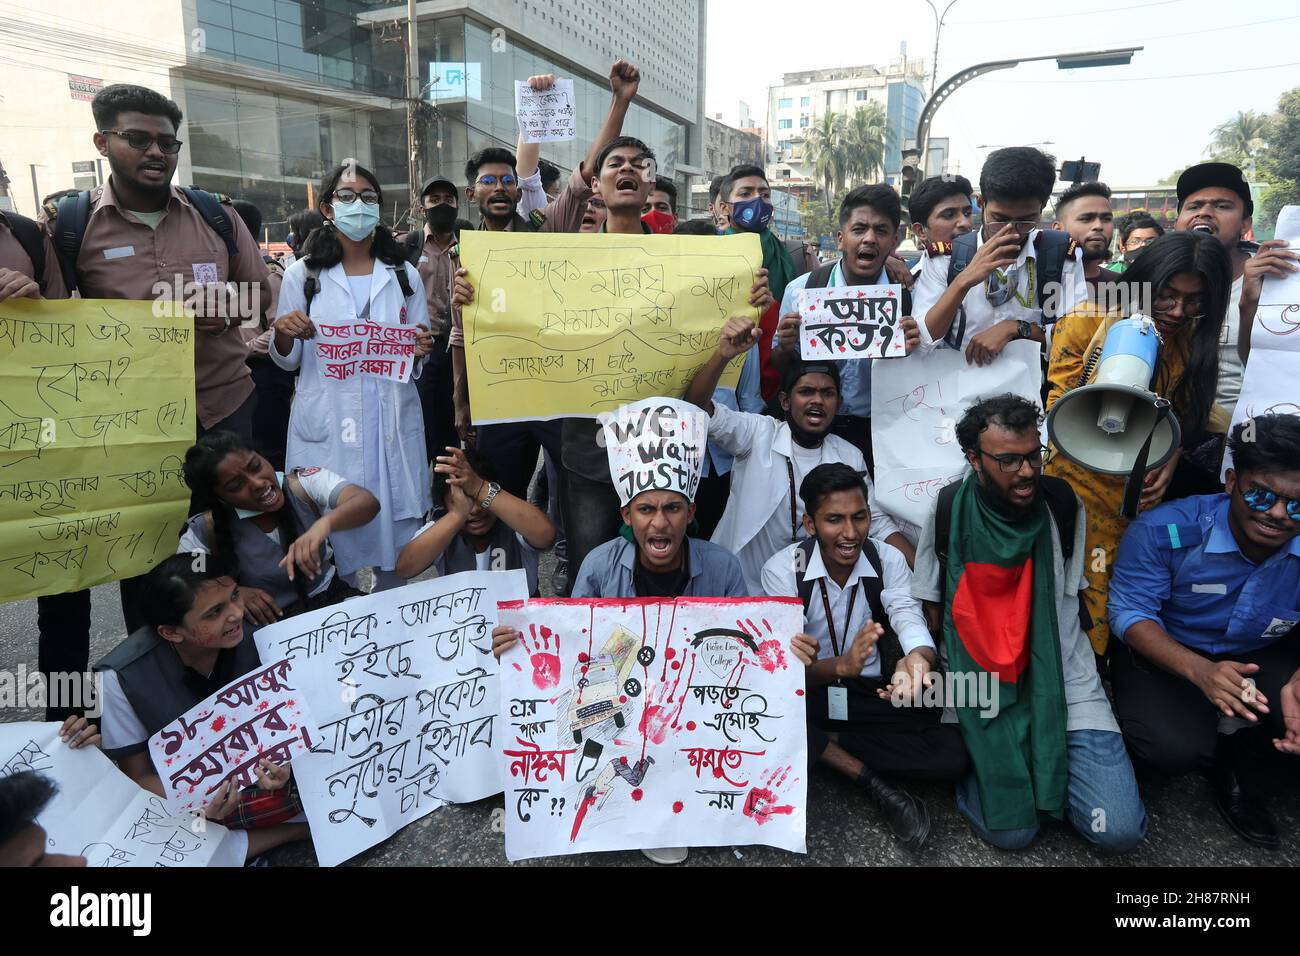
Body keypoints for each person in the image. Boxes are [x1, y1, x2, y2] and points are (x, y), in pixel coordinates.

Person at [449, 137, 773, 589]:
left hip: (663, 452)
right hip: (589, 455)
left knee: (668, 570)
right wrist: (475, 299)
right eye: (615, 163)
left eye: (639, 165)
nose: (628, 170)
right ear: (596, 185)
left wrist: (745, 307)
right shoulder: (558, 259)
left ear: (650, 182)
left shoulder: (690, 263)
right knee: (591, 572)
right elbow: (512, 320)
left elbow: (696, 398)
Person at [39, 82, 275, 666]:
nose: (155, 153)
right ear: (102, 141)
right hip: (130, 428)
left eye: (167, 143)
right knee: (148, 564)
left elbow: (264, 298)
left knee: (233, 550)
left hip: (222, 411)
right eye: (137, 139)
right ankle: (159, 680)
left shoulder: (214, 215)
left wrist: (229, 304)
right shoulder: (72, 227)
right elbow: (50, 327)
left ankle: (242, 675)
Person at [492, 396, 752, 865]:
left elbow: (743, 661)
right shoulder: (597, 565)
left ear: (691, 515)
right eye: (646, 509)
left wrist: (781, 649)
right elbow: (575, 644)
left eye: (673, 508)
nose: (660, 522)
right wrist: (522, 643)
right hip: (619, 697)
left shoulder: (723, 568)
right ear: (627, 517)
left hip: (688, 703)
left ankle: (673, 801)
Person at [912, 395, 1146, 852]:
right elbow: (932, 612)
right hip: (978, 685)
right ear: (973, 460)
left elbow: (1070, 594)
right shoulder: (945, 509)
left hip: (1064, 678)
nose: (1026, 472)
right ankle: (994, 772)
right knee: (1013, 833)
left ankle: (1033, 770)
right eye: (1008, 460)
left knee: (1115, 831)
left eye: (1033, 455)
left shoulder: (1061, 503)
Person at [1108, 415, 1300, 848]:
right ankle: (1211, 735)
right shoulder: (1164, 530)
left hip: (1262, 653)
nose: (1276, 514)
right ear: (1231, 481)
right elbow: (1129, 614)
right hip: (1170, 651)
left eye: (1296, 505)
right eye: (1260, 494)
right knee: (1170, 748)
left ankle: (1240, 761)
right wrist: (1200, 672)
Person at [763, 463, 968, 850]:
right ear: (810, 524)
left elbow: (907, 616)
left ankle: (826, 747)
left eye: (859, 517)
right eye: (834, 520)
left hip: (869, 692)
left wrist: (919, 660)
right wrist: (839, 666)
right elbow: (782, 675)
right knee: (777, 719)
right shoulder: (783, 571)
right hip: (812, 693)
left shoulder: (885, 559)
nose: (850, 532)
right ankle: (873, 783)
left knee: (953, 749)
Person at [1045, 231, 1232, 656]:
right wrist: (1108, 345)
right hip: (1078, 482)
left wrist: (1174, 450)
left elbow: (1188, 412)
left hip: (1141, 493)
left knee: (1123, 592)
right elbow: (1060, 405)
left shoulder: (1190, 339)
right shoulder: (1083, 320)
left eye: (1195, 300)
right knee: (1073, 588)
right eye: (1167, 295)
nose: (1179, 310)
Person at [270, 161, 434, 592]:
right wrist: (284, 334)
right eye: (347, 196)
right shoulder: (301, 275)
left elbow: (415, 355)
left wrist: (421, 349)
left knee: (398, 558)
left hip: (389, 429)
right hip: (329, 430)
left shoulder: (404, 275)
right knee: (330, 558)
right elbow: (289, 361)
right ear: (327, 208)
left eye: (368, 197)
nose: (358, 205)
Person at [94, 556, 311, 862]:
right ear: (171, 632)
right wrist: (198, 804)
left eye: (235, 595)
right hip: (187, 800)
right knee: (154, 829)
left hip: (260, 786)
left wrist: (286, 763)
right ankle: (294, 830)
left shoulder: (261, 633)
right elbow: (138, 777)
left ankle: (257, 834)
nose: (236, 613)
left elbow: (301, 719)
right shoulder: (119, 677)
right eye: (215, 612)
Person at [686, 327, 914, 594]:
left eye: (827, 393)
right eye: (806, 391)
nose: (817, 400)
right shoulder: (758, 434)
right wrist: (723, 356)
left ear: (838, 404)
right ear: (785, 401)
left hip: (806, 592)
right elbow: (697, 410)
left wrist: (924, 575)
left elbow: (876, 522)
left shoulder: (849, 455)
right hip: (739, 587)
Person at [771, 185, 921, 469]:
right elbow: (780, 364)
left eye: (881, 230)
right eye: (859, 229)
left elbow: (920, 378)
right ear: (841, 238)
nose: (869, 239)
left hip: (881, 432)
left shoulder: (908, 296)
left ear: (895, 241)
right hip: (815, 430)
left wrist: (913, 350)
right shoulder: (801, 290)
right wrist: (787, 345)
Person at [179, 430, 380, 623]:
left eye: (256, 466)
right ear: (220, 498)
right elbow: (194, 582)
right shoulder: (202, 531)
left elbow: (365, 502)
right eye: (235, 486)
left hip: (332, 602)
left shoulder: (304, 484)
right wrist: (234, 593)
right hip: (267, 626)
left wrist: (323, 525)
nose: (257, 483)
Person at [912, 146, 1085, 367]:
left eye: (1026, 220)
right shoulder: (945, 257)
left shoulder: (1059, 256)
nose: (1011, 230)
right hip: (956, 393)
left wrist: (1015, 329)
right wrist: (963, 281)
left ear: (1042, 207)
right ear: (981, 202)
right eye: (999, 218)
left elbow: (1074, 341)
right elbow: (923, 342)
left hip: (1031, 393)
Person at [1171, 161, 1295, 420]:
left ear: (1244, 224)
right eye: (1193, 206)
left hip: (1243, 440)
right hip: (1163, 438)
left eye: (1221, 206)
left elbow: (1279, 372)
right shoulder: (1152, 282)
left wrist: (1249, 304)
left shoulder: (1276, 281)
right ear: (1178, 222)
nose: (1204, 213)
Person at [671, 219, 766, 540]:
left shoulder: (740, 319)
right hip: (672, 456)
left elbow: (749, 397)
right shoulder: (656, 320)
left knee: (718, 542)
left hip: (725, 459)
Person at [396, 446, 555, 595]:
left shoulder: (514, 521)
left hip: (519, 620)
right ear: (444, 505)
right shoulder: (443, 527)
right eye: (464, 500)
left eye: (479, 499)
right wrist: (457, 515)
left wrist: (481, 489)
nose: (475, 510)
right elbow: (405, 568)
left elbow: (546, 535)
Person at [717, 164, 796, 403]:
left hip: (777, 374)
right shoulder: (710, 253)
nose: (757, 200)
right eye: (745, 194)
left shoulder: (789, 255)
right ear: (724, 207)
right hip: (723, 374)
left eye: (764, 194)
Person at [232, 198, 293, 472]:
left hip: (264, 375)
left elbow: (280, 328)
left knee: (268, 449)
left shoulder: (268, 276)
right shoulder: (224, 272)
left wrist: (245, 348)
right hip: (234, 375)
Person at [405, 174, 462, 465]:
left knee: (454, 421)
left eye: (449, 200)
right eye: (435, 200)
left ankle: (447, 490)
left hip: (457, 347)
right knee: (423, 419)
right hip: (423, 349)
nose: (443, 205)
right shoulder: (409, 246)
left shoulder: (468, 244)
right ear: (422, 207)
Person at [1051, 181, 1117, 302]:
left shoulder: (1123, 286)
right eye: (1086, 219)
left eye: (1106, 219)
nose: (1098, 226)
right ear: (1058, 228)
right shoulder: (1033, 282)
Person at [906, 174, 974, 263]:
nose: (965, 223)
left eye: (967, 213)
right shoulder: (906, 275)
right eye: (949, 215)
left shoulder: (993, 270)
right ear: (921, 231)